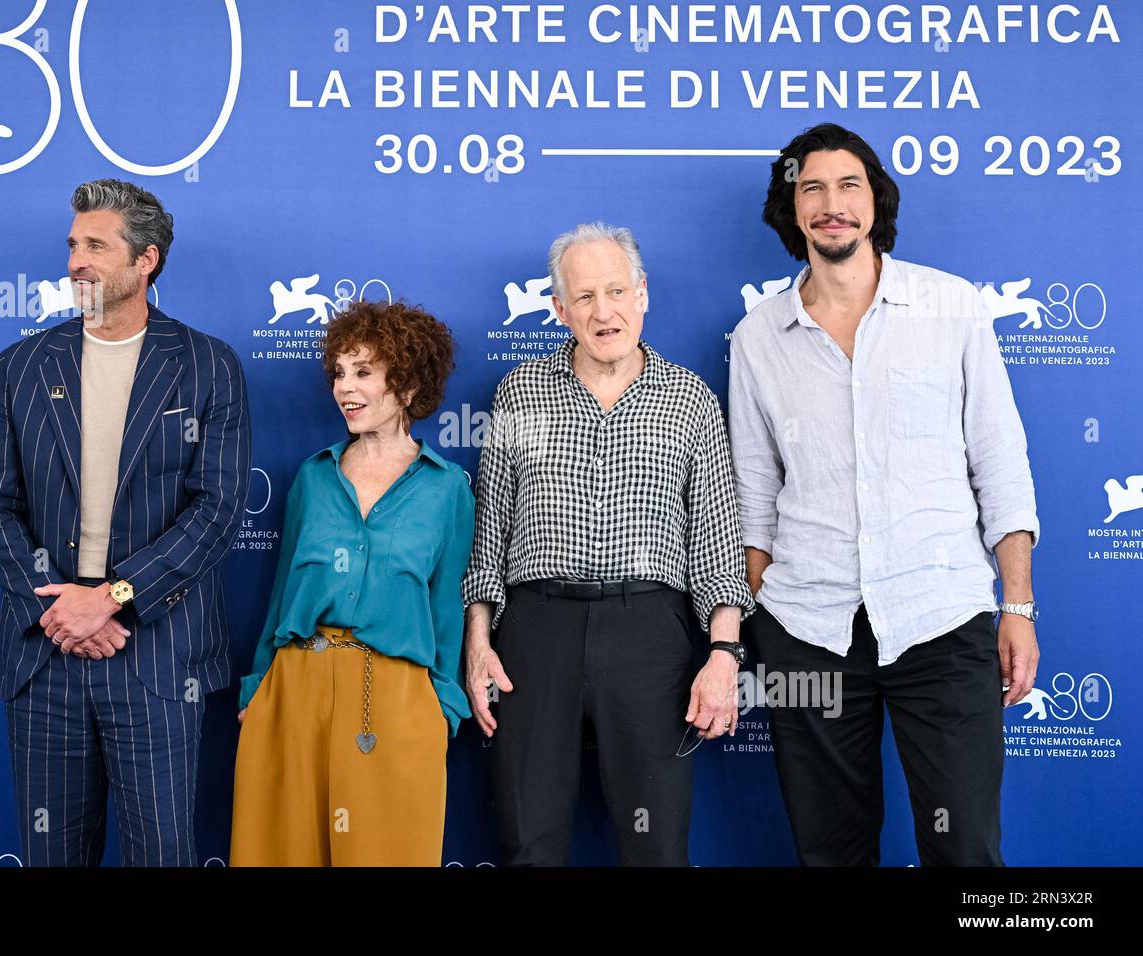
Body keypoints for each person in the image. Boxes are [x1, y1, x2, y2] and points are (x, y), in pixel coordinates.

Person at [729, 123, 1040, 866]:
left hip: (942, 617)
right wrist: (765, 611)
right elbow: (752, 495)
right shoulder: (756, 338)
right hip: (807, 631)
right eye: (811, 188)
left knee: (965, 848)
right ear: (791, 207)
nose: (830, 204)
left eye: (848, 186)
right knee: (830, 852)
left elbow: (1000, 463)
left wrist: (1018, 606)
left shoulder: (952, 307)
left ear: (875, 202)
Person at [0, 179, 251, 866]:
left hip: (156, 658)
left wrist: (114, 598)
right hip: (47, 651)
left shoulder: (208, 366)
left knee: (163, 853)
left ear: (145, 261)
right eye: (73, 245)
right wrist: (61, 611)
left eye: (97, 245)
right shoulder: (22, 367)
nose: (76, 261)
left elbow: (217, 510)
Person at [461, 222, 754, 866]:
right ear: (561, 309)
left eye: (616, 290)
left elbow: (719, 551)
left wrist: (724, 656)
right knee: (527, 846)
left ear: (642, 293)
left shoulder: (691, 399)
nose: (604, 311)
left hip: (651, 633)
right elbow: (488, 539)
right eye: (585, 296)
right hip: (536, 633)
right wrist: (478, 643)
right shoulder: (518, 392)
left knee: (655, 850)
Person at [231, 300, 473, 866]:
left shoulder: (447, 488)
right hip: (294, 690)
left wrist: (442, 708)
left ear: (408, 385)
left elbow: (447, 610)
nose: (345, 387)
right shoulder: (313, 477)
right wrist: (258, 690)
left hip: (397, 698)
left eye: (364, 371)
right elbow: (281, 594)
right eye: (340, 372)